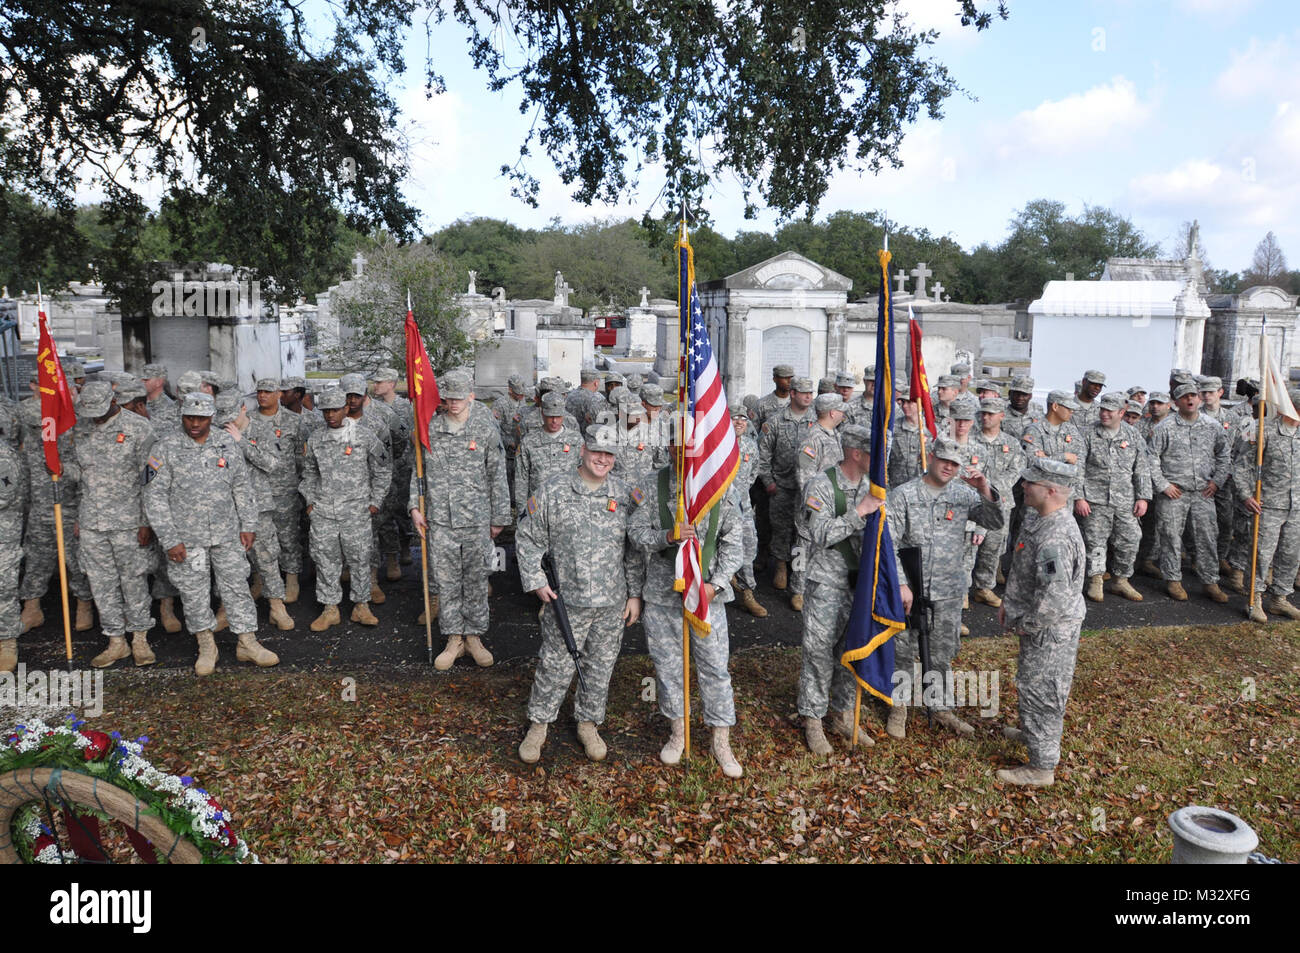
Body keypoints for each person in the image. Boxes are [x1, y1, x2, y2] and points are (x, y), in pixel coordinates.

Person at [515, 428, 645, 763]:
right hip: (566, 601)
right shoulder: (554, 490)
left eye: (609, 454)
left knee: (600, 667)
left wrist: (634, 595)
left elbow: (632, 550)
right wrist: (535, 580)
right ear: (583, 450)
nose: (603, 459)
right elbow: (528, 538)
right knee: (555, 666)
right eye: (597, 452)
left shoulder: (624, 493)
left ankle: (588, 723)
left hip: (611, 602)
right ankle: (539, 724)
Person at [628, 438, 745, 778]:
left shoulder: (719, 485)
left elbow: (734, 542)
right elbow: (634, 534)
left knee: (714, 668)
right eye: (679, 448)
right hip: (663, 596)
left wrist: (716, 583)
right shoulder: (653, 484)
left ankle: (720, 739)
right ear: (670, 449)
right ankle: (678, 733)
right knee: (668, 669)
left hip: (709, 597)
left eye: (693, 448)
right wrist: (667, 535)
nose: (686, 455)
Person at [143, 392, 277, 675]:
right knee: (194, 593)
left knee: (237, 588)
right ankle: (207, 645)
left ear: (211, 417)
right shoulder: (165, 447)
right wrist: (170, 539)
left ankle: (247, 642)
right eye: (189, 417)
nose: (194, 423)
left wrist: (248, 524)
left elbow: (241, 485)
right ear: (182, 416)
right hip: (186, 538)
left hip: (227, 533)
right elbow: (154, 496)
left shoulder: (225, 442)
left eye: (201, 418)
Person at [887, 437, 1003, 739]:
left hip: (949, 589)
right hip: (911, 589)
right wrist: (900, 583)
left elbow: (994, 520)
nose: (948, 467)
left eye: (954, 464)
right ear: (931, 458)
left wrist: (984, 489)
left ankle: (940, 707)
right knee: (903, 649)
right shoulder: (903, 495)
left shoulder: (964, 495)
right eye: (944, 461)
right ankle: (898, 706)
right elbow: (889, 543)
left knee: (941, 650)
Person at [409, 372, 510, 670]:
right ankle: (454, 638)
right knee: (447, 581)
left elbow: (497, 473)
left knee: (477, 578)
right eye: (448, 397)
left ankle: (475, 636)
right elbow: (418, 470)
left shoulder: (485, 428)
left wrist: (499, 517)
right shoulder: (431, 428)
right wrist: (414, 505)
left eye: (459, 397)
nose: (453, 403)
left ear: (471, 396)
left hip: (477, 518)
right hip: (440, 519)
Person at [997, 458, 1087, 787]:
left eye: (1030, 483)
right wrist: (1011, 602)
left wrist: (1025, 624)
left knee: (1042, 691)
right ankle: (1033, 733)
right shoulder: (1040, 517)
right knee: (1030, 682)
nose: (1023, 486)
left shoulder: (1056, 540)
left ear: (1050, 491)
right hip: (1035, 620)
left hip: (1047, 629)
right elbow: (1023, 567)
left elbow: (1054, 599)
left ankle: (1041, 766)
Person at [799, 424, 881, 755]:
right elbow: (819, 535)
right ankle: (813, 719)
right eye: (871, 452)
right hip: (827, 583)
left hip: (859, 585)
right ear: (856, 453)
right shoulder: (820, 486)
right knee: (818, 652)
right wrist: (859, 512)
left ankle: (843, 714)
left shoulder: (873, 488)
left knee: (851, 650)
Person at [73, 381, 160, 668]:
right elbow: (80, 473)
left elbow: (150, 479)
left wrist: (146, 520)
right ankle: (115, 641)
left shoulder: (138, 428)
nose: (96, 416)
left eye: (101, 410)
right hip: (92, 522)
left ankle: (140, 638)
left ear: (113, 401)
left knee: (133, 581)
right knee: (101, 584)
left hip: (128, 521)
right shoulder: (80, 426)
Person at [300, 387, 391, 630]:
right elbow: (308, 472)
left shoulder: (364, 436)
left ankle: (361, 606)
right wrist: (310, 503)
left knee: (360, 558)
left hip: (356, 511)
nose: (330, 415)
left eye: (335, 409)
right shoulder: (315, 438)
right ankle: (330, 608)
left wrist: (375, 502)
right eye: (325, 410)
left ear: (346, 408)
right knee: (325, 559)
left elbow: (383, 469)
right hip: (324, 512)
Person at [1148, 383, 1231, 603]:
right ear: (1176, 403)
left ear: (1200, 399)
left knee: (1207, 537)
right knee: (1171, 537)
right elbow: (1151, 459)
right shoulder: (1164, 428)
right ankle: (1173, 580)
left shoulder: (1212, 426)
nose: (1190, 400)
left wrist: (1217, 481)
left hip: (1203, 492)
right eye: (1185, 397)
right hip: (1174, 493)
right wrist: (1163, 485)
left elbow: (1224, 455)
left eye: (1194, 395)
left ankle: (1210, 581)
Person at [1231, 390, 1300, 622]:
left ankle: (1279, 598)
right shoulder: (1262, 429)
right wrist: (1245, 495)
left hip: (1296, 506)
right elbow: (1242, 466)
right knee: (1261, 555)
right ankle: (1254, 599)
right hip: (1268, 504)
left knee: (1291, 555)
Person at [1076, 392, 1151, 602]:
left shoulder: (1133, 435)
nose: (1104, 413)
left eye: (1109, 410)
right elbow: (1078, 468)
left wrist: (1143, 497)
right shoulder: (1087, 433)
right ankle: (1096, 581)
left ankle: (1121, 580)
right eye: (1102, 409)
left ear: (1121, 412)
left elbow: (1142, 468)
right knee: (1096, 542)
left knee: (1130, 539)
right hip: (1095, 499)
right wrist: (1078, 497)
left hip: (1125, 499)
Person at [758, 376, 816, 590]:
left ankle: (797, 576)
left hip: (807, 490)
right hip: (781, 487)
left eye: (811, 393)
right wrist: (768, 482)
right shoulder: (775, 421)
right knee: (780, 529)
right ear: (793, 394)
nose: (809, 396)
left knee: (802, 533)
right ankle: (781, 565)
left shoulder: (815, 421)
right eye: (804, 392)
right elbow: (762, 456)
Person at [790, 393, 845, 611]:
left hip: (832, 504)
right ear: (832, 412)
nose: (843, 413)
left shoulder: (835, 435)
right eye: (840, 409)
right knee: (803, 547)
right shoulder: (812, 439)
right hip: (813, 505)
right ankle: (798, 590)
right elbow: (804, 474)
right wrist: (814, 505)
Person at [968, 396, 1024, 607]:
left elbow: (1015, 471)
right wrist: (978, 486)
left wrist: (987, 485)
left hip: (1000, 504)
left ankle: (984, 587)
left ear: (1001, 416)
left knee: (992, 548)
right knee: (967, 546)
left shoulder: (1011, 443)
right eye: (983, 413)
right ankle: (963, 590)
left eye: (990, 414)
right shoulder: (970, 440)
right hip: (972, 502)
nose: (985, 417)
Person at [727, 402, 766, 617]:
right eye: (735, 417)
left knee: (749, 546)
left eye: (743, 418)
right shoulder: (716, 444)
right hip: (719, 507)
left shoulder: (751, 445)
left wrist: (741, 493)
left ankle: (748, 592)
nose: (740, 421)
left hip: (743, 505)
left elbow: (753, 473)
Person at [515, 392, 582, 498]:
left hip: (569, 506)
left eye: (558, 416)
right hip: (538, 505)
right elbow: (521, 480)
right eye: (550, 416)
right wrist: (523, 512)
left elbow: (584, 475)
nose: (554, 421)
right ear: (542, 414)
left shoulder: (576, 440)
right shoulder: (529, 441)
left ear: (564, 415)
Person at [0, 436, 29, 673]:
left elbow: (4, 496)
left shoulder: (5, 456)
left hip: (3, 538)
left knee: (3, 591)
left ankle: (8, 643)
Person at [753, 364, 795, 430]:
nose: (789, 381)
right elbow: (754, 432)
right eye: (785, 378)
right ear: (775, 379)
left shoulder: (797, 403)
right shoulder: (761, 404)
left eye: (791, 378)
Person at [1002, 376, 1044, 441]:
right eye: (1016, 394)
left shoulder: (1037, 409)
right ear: (1009, 394)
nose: (1020, 398)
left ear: (1030, 396)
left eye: (1024, 394)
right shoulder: (999, 412)